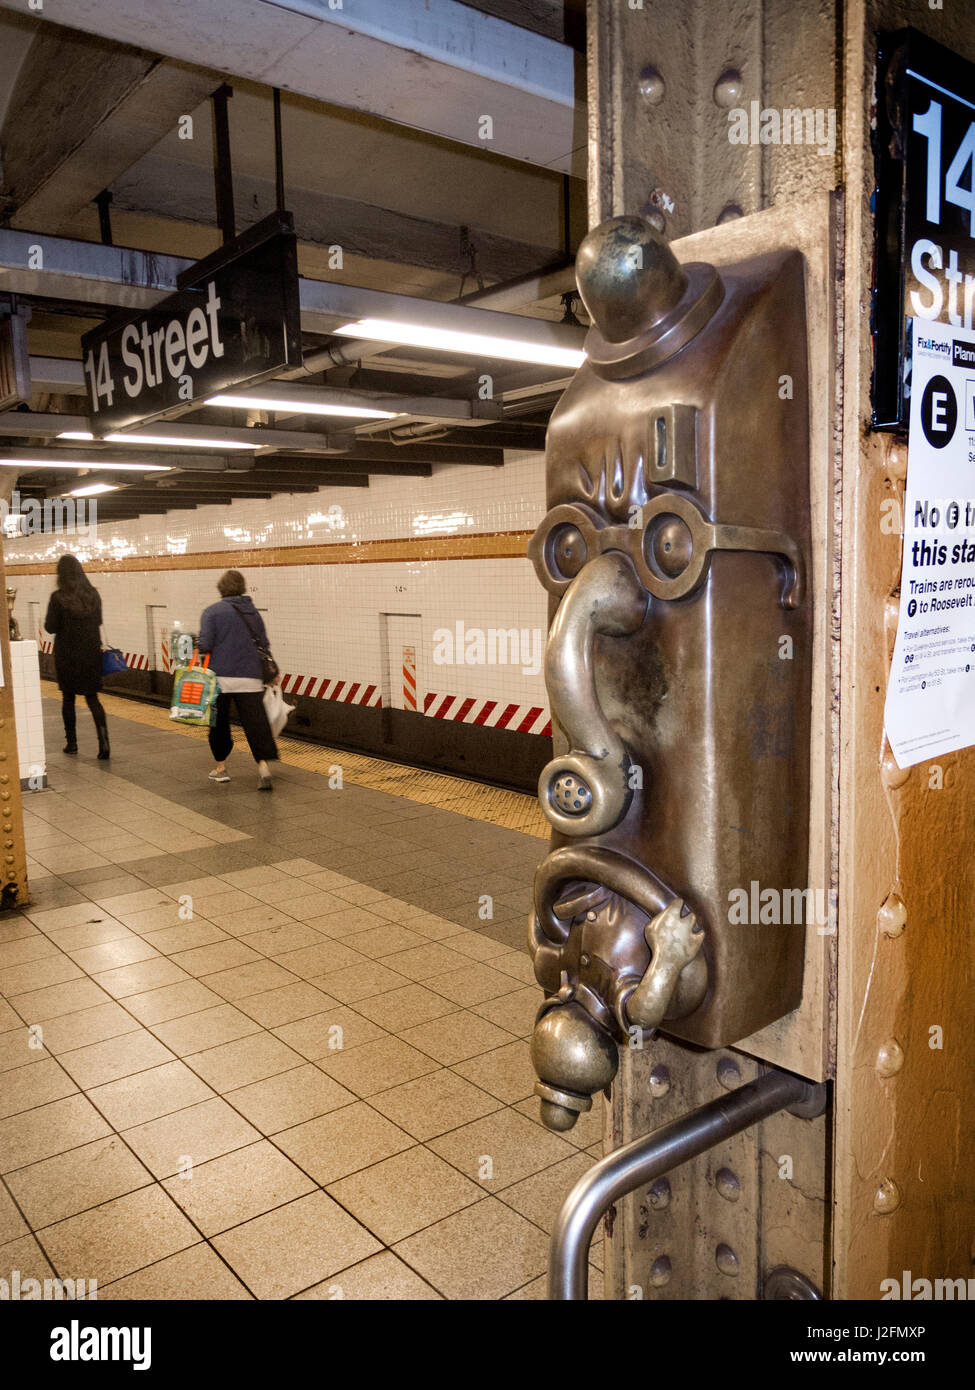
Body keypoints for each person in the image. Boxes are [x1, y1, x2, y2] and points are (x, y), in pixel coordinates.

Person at [197, 571, 278, 791]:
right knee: (256, 725)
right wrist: (270, 673)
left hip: (220, 679)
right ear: (242, 587)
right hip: (250, 678)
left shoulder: (212, 612)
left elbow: (205, 645)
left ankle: (221, 769)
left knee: (219, 724)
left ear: (221, 588)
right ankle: (263, 767)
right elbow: (264, 644)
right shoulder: (253, 612)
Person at [44, 554, 110, 759]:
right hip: (90, 653)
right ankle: (104, 743)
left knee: (68, 698)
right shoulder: (93, 595)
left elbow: (50, 626)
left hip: (67, 655)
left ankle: (72, 744)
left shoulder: (58, 597)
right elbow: (98, 621)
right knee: (93, 698)